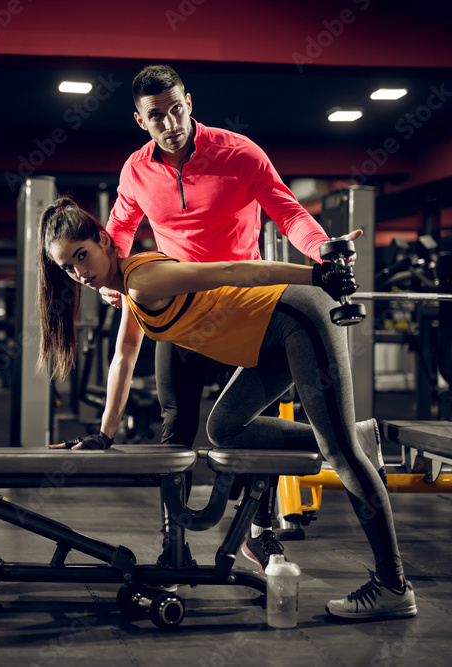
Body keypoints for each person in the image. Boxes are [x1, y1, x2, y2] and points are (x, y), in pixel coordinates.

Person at [37, 197, 416, 620]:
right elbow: (123, 356)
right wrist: (103, 434)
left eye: (82, 256)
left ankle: (393, 585)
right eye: (68, 267)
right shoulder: (129, 287)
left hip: (301, 317)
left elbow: (234, 271)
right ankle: (355, 437)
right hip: (273, 341)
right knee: (226, 428)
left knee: (340, 453)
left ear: (106, 241)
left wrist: (317, 274)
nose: (80, 273)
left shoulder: (144, 278)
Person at [99, 64, 384, 576]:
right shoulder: (134, 172)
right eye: (156, 116)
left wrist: (321, 250)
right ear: (140, 121)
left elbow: (289, 212)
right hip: (186, 315)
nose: (171, 123)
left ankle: (262, 532)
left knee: (241, 429)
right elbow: (120, 227)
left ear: (190, 101)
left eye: (177, 109)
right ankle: (175, 548)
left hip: (247, 306)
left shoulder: (238, 152)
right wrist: (110, 280)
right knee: (177, 434)